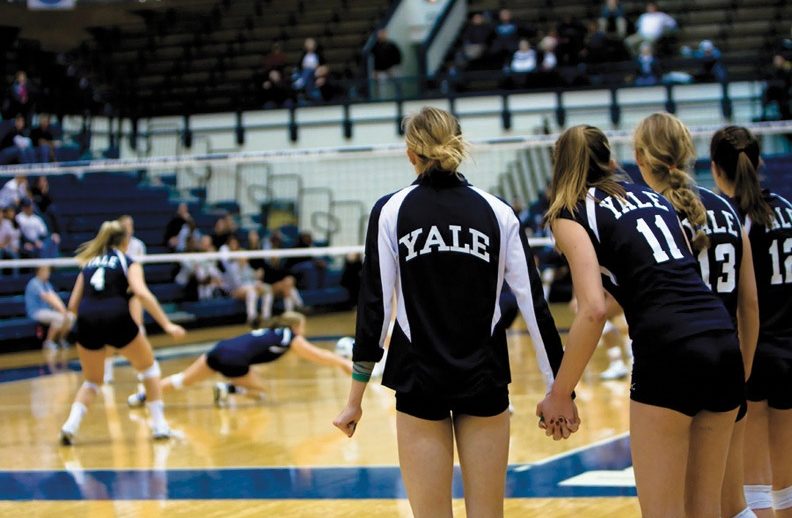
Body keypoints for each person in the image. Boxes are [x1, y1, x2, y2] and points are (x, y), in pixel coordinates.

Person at [333, 107, 572, 518]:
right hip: (485, 375)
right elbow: (535, 306)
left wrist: (354, 400)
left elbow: (374, 309)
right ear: (458, 147)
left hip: (418, 378)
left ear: (411, 153)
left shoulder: (390, 211)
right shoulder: (497, 211)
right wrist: (560, 391)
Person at [541, 124, 744, 517]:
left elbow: (593, 309)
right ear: (608, 157)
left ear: (560, 167)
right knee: (707, 510)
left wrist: (560, 392)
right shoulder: (652, 196)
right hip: (721, 338)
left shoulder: (571, 211)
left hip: (669, 350)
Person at [639, 114, 760, 518]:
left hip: (677, 361)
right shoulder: (726, 208)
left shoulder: (650, 214)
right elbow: (750, 303)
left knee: (677, 506)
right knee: (727, 503)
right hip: (728, 361)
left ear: (641, 156)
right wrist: (743, 370)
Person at [709, 126, 792, 518]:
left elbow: (746, 301)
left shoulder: (731, 218)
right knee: (787, 478)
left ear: (715, 169)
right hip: (790, 349)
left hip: (756, 350)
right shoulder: (788, 210)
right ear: (758, 163)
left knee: (754, 478)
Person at [59, 221, 186, 445]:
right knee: (149, 368)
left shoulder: (88, 264)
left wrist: (94, 320)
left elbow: (72, 305)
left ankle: (70, 425)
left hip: (87, 320)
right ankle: (159, 426)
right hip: (116, 315)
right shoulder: (127, 262)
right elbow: (141, 293)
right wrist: (167, 324)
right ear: (125, 241)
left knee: (92, 382)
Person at [127, 312, 352, 408]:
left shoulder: (269, 332)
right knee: (260, 392)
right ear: (295, 326)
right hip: (235, 361)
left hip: (219, 349)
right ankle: (227, 389)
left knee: (182, 380)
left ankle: (141, 396)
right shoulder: (289, 336)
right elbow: (318, 355)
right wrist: (343, 363)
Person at [221, 234, 273, 325]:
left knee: (267, 289)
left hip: (249, 287)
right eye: (243, 257)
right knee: (252, 291)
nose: (245, 259)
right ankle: (252, 318)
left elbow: (252, 277)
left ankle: (266, 317)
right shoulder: (232, 266)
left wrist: (257, 278)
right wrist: (254, 285)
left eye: (245, 257)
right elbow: (237, 284)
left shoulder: (247, 266)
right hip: (236, 291)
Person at [25, 265, 75, 352]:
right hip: (36, 312)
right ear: (39, 272)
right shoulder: (34, 283)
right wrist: (62, 310)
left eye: (48, 271)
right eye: (46, 271)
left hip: (47, 310)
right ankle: (48, 342)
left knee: (71, 317)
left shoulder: (47, 284)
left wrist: (64, 310)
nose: (48, 273)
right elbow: (48, 297)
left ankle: (61, 339)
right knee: (59, 318)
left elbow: (54, 296)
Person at [371, 29, 402, 99]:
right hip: (381, 70)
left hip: (392, 68)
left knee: (397, 78)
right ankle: (382, 99)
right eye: (380, 34)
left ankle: (399, 97)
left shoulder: (392, 45)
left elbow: (398, 58)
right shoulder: (375, 46)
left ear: (386, 34)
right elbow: (375, 60)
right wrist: (375, 70)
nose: (381, 35)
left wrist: (393, 67)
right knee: (381, 83)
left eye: (383, 34)